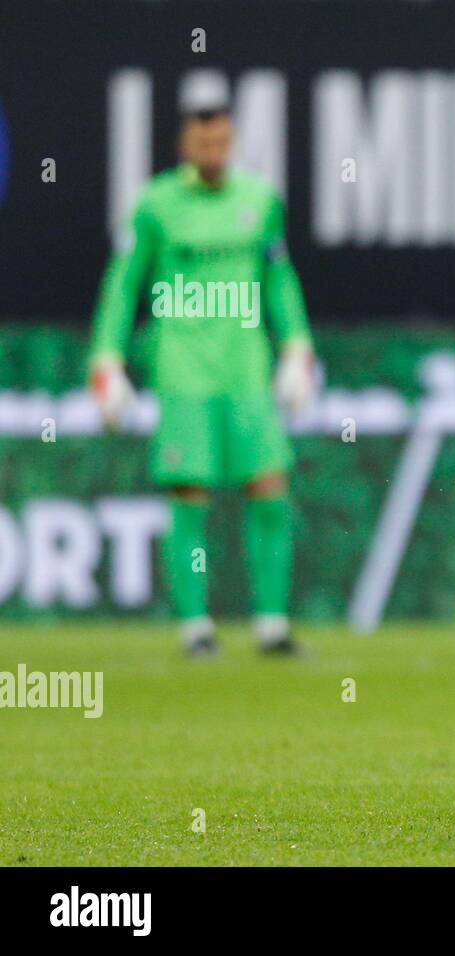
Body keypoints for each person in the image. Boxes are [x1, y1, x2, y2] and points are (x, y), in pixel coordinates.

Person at [89, 76, 318, 657]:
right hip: (184, 369)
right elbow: (123, 286)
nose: (213, 154)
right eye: (202, 144)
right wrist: (106, 359)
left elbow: (279, 280)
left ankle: (271, 624)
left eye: (221, 143)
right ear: (184, 144)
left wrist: (296, 346)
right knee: (188, 493)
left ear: (232, 140)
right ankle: (195, 627)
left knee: (268, 485)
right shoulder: (156, 205)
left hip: (245, 367)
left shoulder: (259, 201)